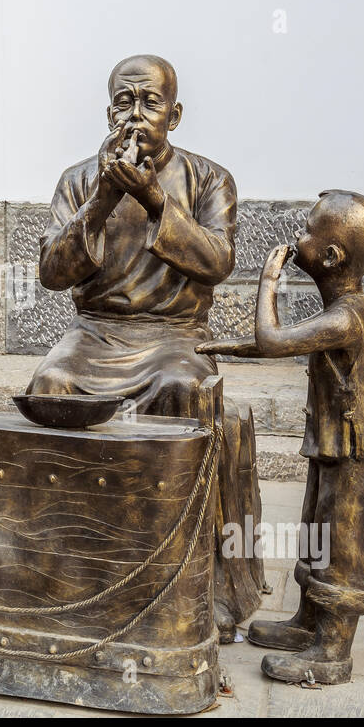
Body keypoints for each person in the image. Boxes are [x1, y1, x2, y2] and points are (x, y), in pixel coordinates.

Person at [29, 54, 264, 638]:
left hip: (175, 336)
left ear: (175, 113)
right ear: (108, 110)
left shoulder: (210, 179)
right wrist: (104, 199)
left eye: (150, 102)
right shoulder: (79, 179)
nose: (135, 115)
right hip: (92, 335)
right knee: (48, 387)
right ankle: (70, 569)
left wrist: (157, 200)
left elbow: (216, 263)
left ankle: (188, 574)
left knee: (182, 389)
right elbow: (53, 275)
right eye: (124, 102)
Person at [197, 190, 364, 684]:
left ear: (332, 256)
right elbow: (275, 343)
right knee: (318, 531)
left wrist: (267, 281)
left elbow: (274, 339)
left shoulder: (349, 316)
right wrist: (220, 346)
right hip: (340, 447)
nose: (297, 238)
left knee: (346, 544)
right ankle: (308, 624)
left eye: (308, 230)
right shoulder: (340, 310)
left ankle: (331, 653)